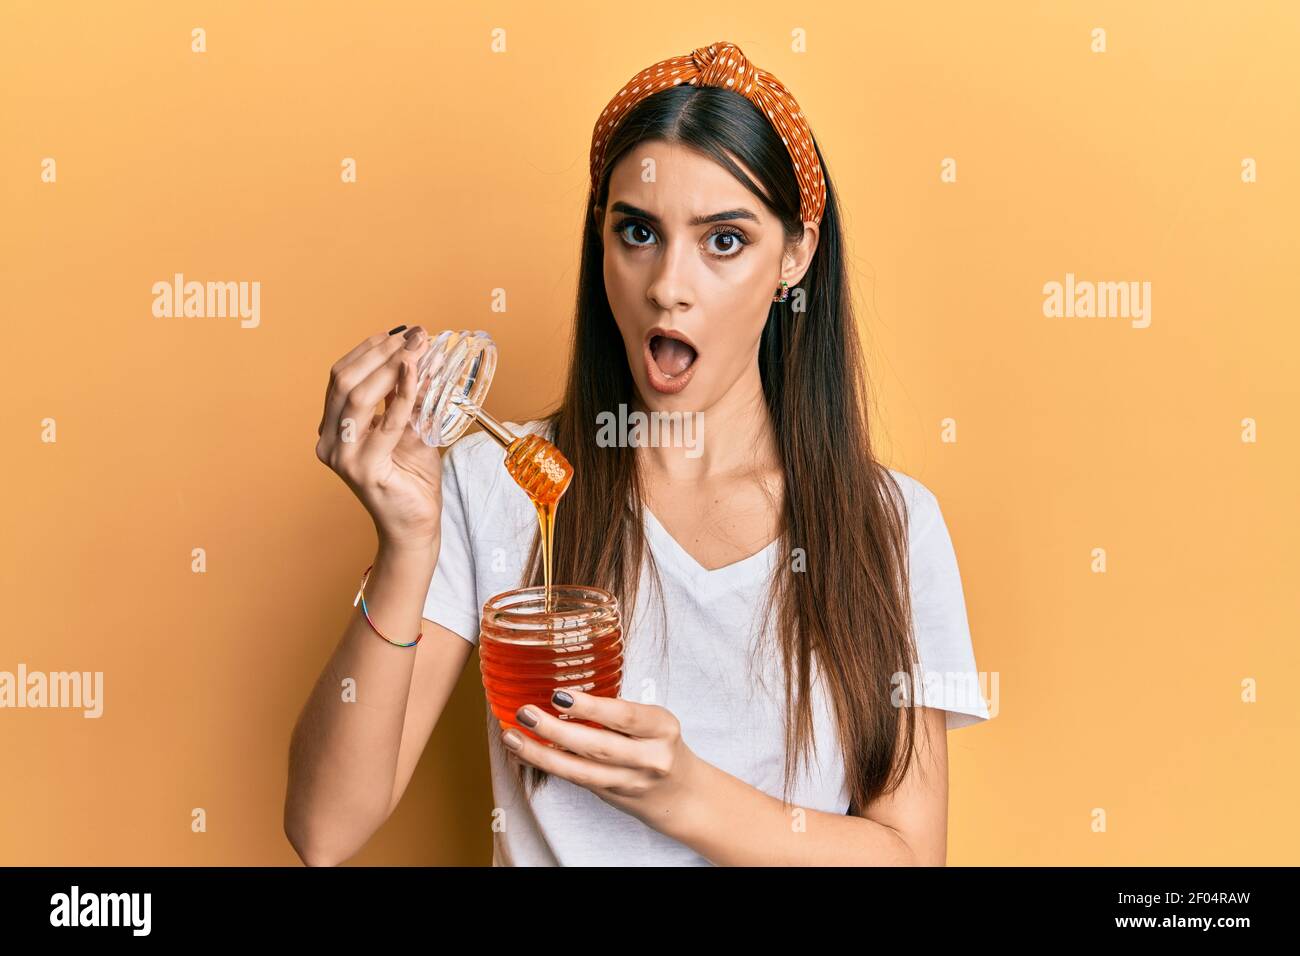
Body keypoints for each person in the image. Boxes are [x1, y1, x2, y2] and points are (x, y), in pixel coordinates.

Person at [286, 40, 992, 867]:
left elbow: (912, 858)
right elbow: (325, 830)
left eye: (723, 240)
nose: (667, 284)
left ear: (794, 257)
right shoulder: (489, 486)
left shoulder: (889, 525)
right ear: (602, 239)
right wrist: (405, 543)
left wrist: (684, 795)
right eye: (639, 232)